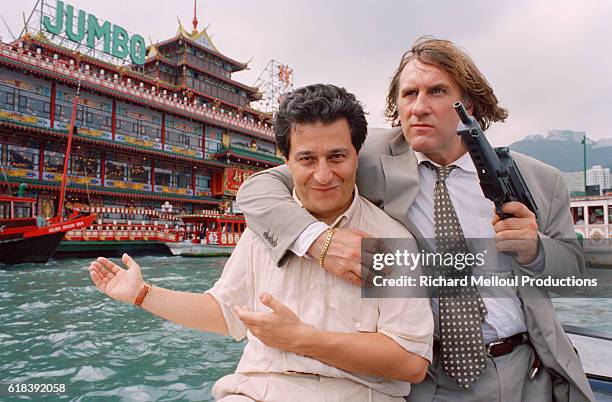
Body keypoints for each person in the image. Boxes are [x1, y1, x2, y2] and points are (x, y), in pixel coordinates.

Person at [236, 37, 595, 402]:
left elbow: (574, 267)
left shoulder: (539, 178)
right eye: (408, 94)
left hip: (523, 370)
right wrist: (319, 242)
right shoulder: (366, 156)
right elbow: (256, 190)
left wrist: (535, 251)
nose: (419, 107)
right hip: (427, 377)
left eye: (436, 91)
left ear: (467, 103)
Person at [89, 84, 433, 402]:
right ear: (286, 160)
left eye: (337, 157)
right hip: (256, 391)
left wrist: (299, 338)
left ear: (357, 155)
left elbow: (411, 361)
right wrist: (142, 294)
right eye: (307, 159)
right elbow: (226, 312)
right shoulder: (263, 231)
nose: (324, 175)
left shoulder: (389, 239)